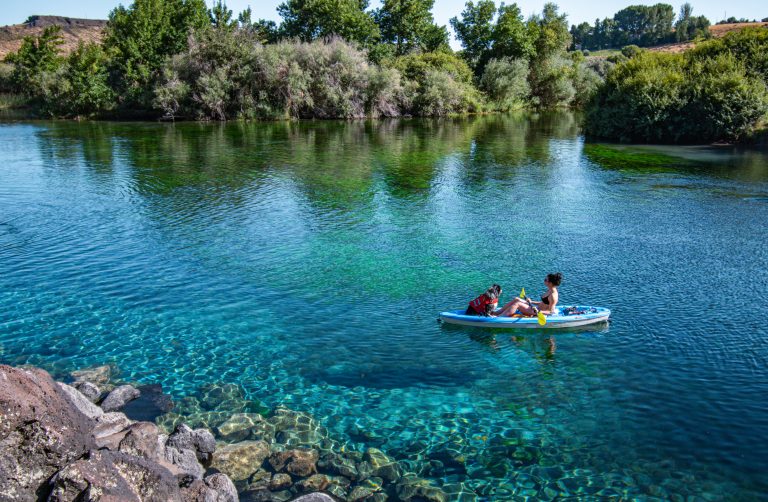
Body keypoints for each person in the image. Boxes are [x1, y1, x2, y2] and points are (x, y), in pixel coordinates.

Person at [493, 273, 562, 318]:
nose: (544, 281)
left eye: (545, 280)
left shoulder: (553, 296)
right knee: (517, 299)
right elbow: (543, 303)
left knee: (517, 304)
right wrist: (531, 302)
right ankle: (496, 313)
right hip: (536, 308)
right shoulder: (550, 290)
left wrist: (538, 312)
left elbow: (551, 311)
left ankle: (499, 317)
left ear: (550, 283)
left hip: (538, 312)